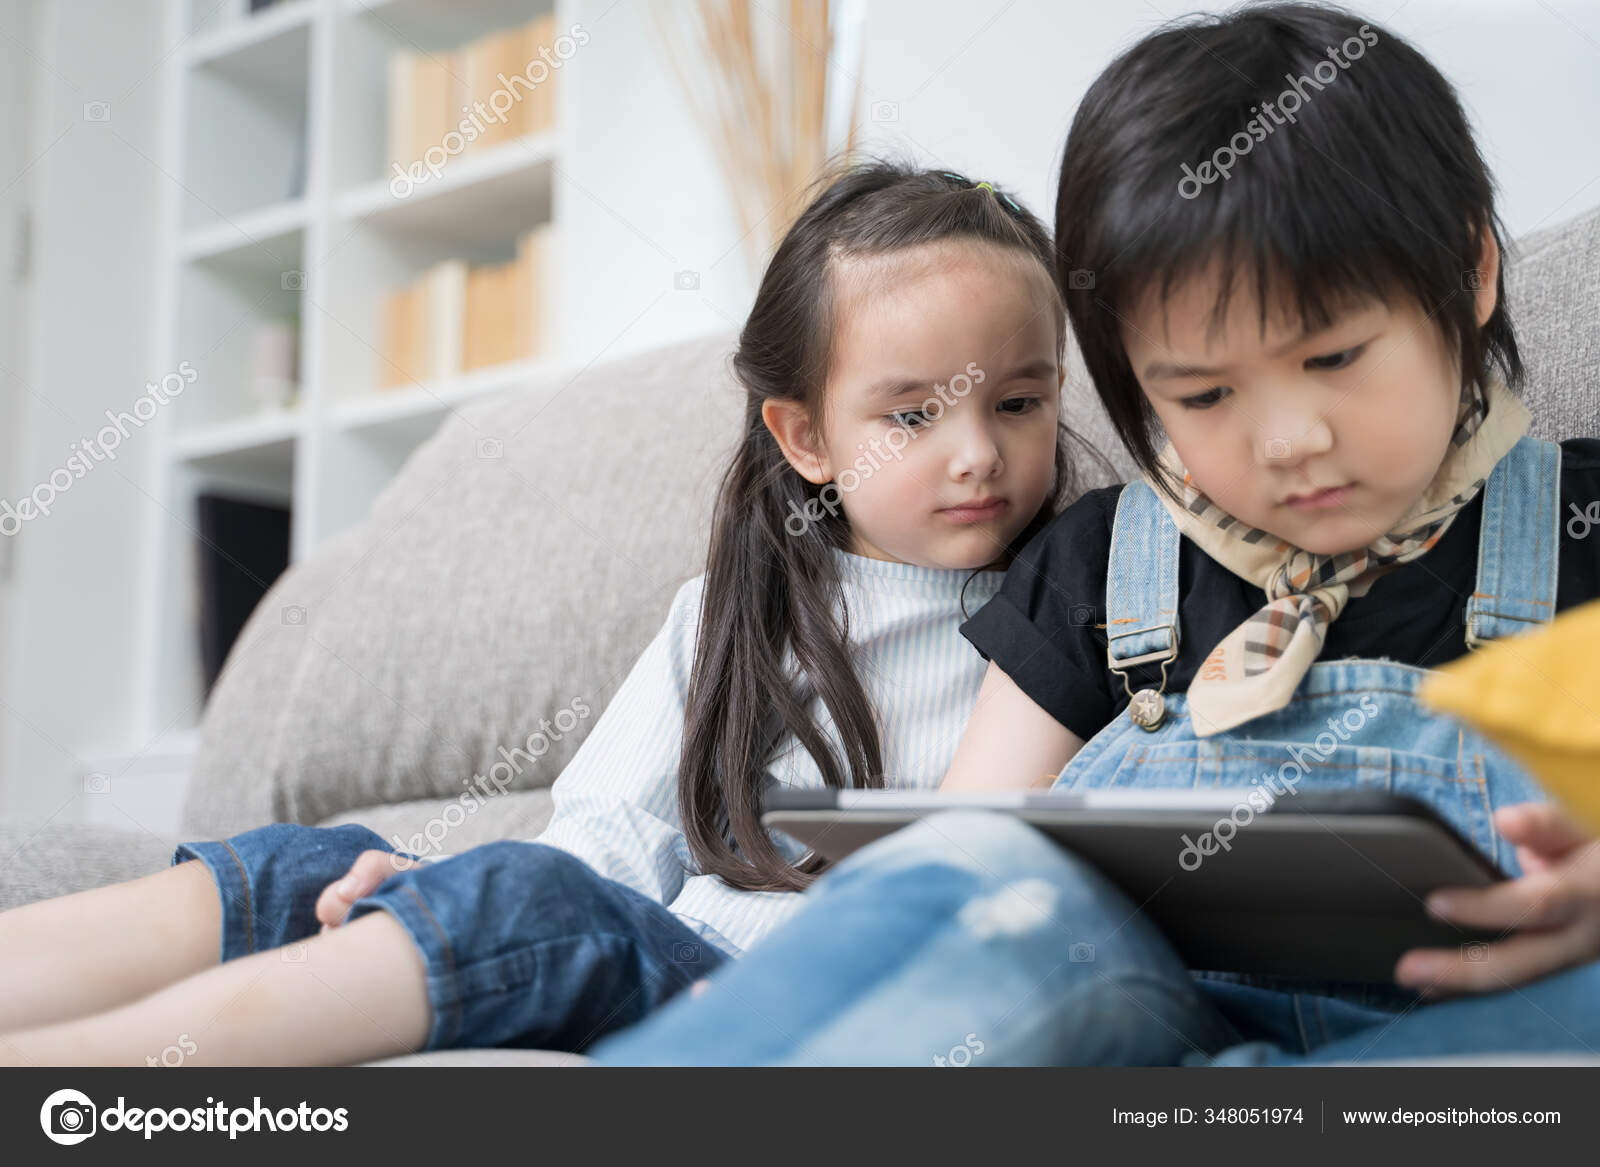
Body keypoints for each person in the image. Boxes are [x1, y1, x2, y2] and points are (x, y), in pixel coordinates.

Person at [585, 2, 1600, 1067]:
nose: (1291, 441)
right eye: (1204, 394)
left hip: (1481, 1037)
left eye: (1335, 357)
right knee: (990, 907)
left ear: (1469, 270)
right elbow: (962, 862)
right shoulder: (1096, 565)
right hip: (1151, 1034)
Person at [0, 161, 1107, 1065]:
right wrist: (439, 895)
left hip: (739, 999)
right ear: (805, 437)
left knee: (533, 900)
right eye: (911, 415)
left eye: (1019, 402)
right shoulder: (736, 610)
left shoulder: (1075, 599)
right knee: (318, 863)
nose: (978, 454)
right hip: (655, 942)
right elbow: (607, 835)